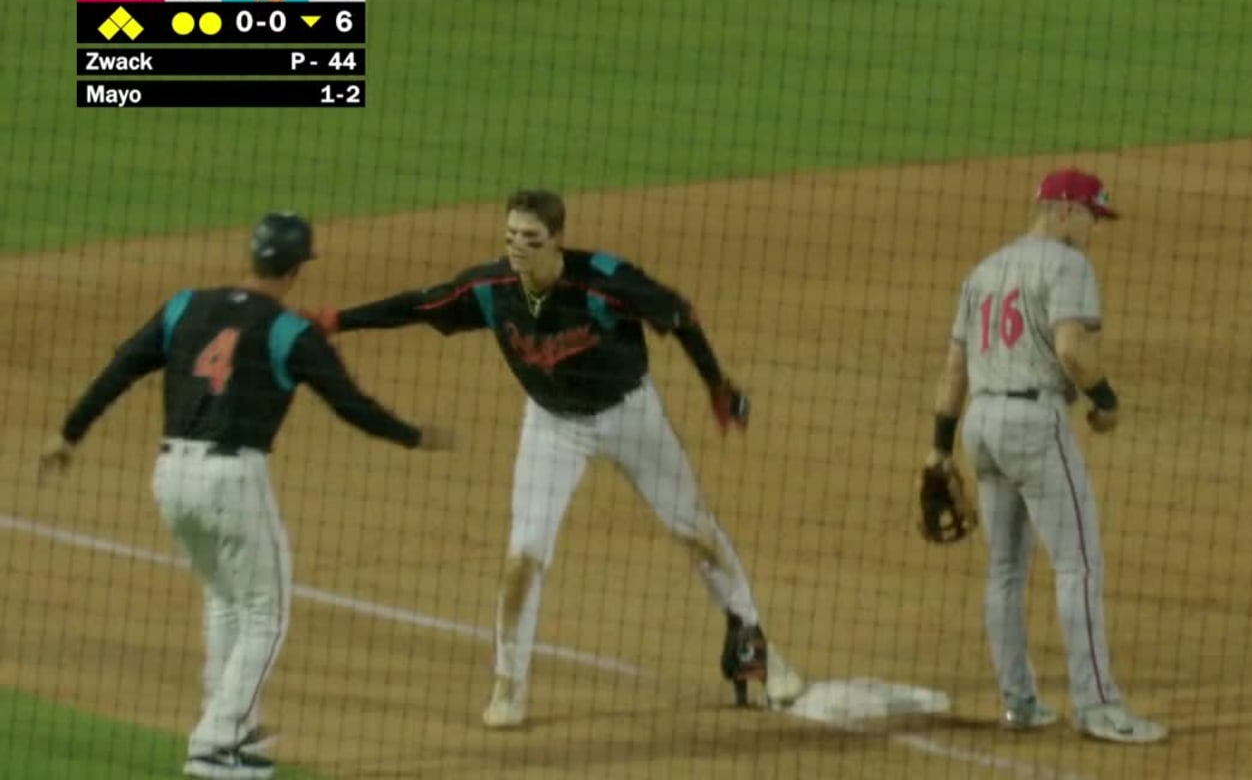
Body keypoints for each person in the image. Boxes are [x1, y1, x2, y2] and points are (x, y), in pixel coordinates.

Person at [304, 189, 806, 728]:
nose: (518, 247)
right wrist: (338, 320)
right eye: (511, 236)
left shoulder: (604, 280)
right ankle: (509, 685)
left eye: (531, 238)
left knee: (695, 530)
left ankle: (762, 651)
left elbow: (679, 314)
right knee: (524, 554)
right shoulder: (491, 289)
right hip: (552, 425)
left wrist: (716, 384)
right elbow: (416, 305)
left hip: (631, 416)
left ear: (558, 239)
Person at [39, 213, 452, 780]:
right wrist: (415, 436)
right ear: (297, 268)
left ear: (253, 256)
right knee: (267, 613)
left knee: (226, 596)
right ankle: (214, 743)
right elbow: (351, 405)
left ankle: (235, 723)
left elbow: (121, 367)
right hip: (231, 480)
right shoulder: (290, 331)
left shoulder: (184, 306)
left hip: (170, 476)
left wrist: (69, 434)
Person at [923, 169, 1168, 744]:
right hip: (1033, 426)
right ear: (1063, 210)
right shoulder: (1067, 265)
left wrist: (939, 448)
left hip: (981, 424)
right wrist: (1105, 401)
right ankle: (1098, 706)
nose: (1092, 230)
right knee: (1079, 564)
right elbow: (1071, 348)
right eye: (1090, 216)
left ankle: (1019, 702)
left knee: (1005, 569)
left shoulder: (984, 270)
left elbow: (955, 369)